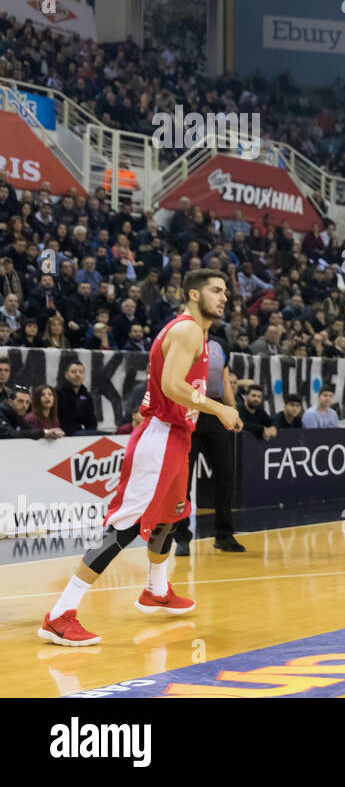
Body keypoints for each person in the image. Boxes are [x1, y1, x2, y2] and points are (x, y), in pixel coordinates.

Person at [39, 270, 243, 646]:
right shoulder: (186, 331)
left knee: (170, 516)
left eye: (226, 291)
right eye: (216, 290)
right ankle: (59, 615)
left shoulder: (194, 333)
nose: (224, 297)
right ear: (193, 294)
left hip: (177, 437)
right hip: (161, 438)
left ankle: (156, 589)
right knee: (125, 527)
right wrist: (221, 410)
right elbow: (172, 387)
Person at [175, 327, 242, 555]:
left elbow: (224, 381)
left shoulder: (220, 344)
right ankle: (182, 537)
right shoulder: (181, 337)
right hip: (187, 410)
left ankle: (224, 535)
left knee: (224, 474)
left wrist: (233, 412)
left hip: (214, 410)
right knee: (183, 478)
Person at [56, 361, 98, 435]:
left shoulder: (87, 395)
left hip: (82, 434)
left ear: (84, 375)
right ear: (66, 374)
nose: (78, 375)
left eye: (81, 372)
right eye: (73, 372)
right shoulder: (58, 393)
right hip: (63, 434)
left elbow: (92, 421)